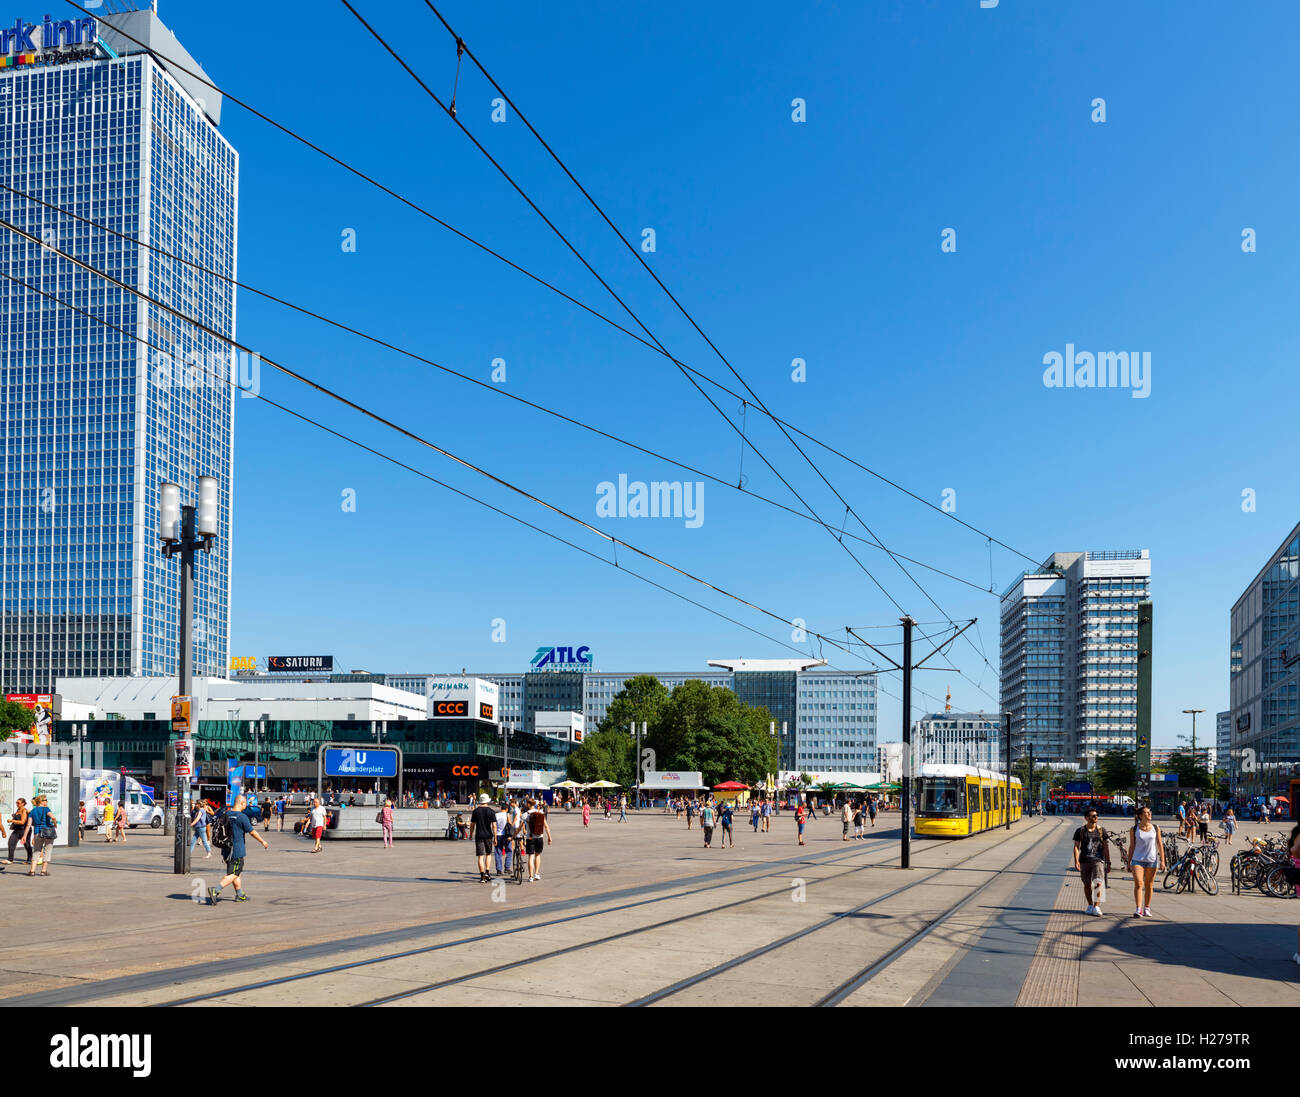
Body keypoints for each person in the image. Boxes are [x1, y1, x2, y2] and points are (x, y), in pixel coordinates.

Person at [207, 794, 270, 904]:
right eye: (245, 803)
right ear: (242, 803)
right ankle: (215, 890)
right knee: (234, 873)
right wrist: (262, 841)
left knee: (235, 872)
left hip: (226, 849)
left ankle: (240, 894)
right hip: (237, 850)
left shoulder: (226, 814)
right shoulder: (242, 816)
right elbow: (252, 832)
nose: (246, 805)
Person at [1123, 806, 1165, 917]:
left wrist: (1162, 861)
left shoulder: (1155, 828)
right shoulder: (1134, 829)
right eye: (1146, 813)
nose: (1149, 814)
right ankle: (1138, 909)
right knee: (1139, 883)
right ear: (1141, 816)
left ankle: (1147, 907)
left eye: (1149, 812)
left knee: (1149, 885)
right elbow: (1132, 846)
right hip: (1137, 860)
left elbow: (1160, 845)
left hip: (1152, 860)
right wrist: (1129, 861)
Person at [1073, 808, 1112, 916]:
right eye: (1093, 816)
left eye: (1096, 815)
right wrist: (1076, 861)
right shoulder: (1080, 831)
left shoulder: (1101, 830)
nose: (1096, 817)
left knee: (1099, 882)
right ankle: (1090, 905)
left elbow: (1105, 846)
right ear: (1086, 818)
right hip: (1084, 860)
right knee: (1086, 884)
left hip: (1098, 860)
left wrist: (1108, 861)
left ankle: (1097, 906)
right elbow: (1076, 846)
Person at [24, 794, 57, 876]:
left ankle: (32, 871)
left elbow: (28, 825)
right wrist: (55, 824)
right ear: (41, 801)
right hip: (48, 832)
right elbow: (53, 817)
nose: (47, 801)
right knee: (47, 851)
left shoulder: (32, 811)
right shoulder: (46, 809)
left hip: (37, 833)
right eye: (45, 800)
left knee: (36, 851)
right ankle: (43, 871)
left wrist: (24, 836)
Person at [469, 793, 497, 884]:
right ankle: (488, 872)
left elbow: (472, 824)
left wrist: (470, 834)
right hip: (489, 836)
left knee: (480, 856)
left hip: (479, 836)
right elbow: (494, 826)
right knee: (488, 854)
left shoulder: (476, 811)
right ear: (487, 801)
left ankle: (482, 876)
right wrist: (495, 837)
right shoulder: (491, 811)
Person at [524, 797, 552, 882]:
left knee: (530, 857)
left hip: (530, 837)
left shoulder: (526, 814)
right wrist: (549, 837)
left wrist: (514, 835)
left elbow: (520, 827)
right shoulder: (541, 812)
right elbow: (546, 826)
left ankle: (530, 876)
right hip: (539, 837)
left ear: (528, 804)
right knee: (537, 855)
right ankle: (536, 873)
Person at [5, 798, 30, 867]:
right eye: (16, 802)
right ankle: (10, 860)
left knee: (27, 844)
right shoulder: (18, 810)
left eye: (18, 803)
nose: (16, 804)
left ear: (23, 803)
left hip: (24, 830)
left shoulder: (24, 810)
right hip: (17, 830)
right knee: (11, 842)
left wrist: (12, 821)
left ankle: (29, 860)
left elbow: (22, 822)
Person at [492, 799, 513, 876]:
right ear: (507, 809)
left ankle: (499, 870)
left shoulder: (496, 815)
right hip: (506, 836)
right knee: (509, 851)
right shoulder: (507, 815)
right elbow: (510, 825)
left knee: (498, 853)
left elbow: (493, 826)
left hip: (497, 835)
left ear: (501, 808)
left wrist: (494, 837)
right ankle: (507, 867)